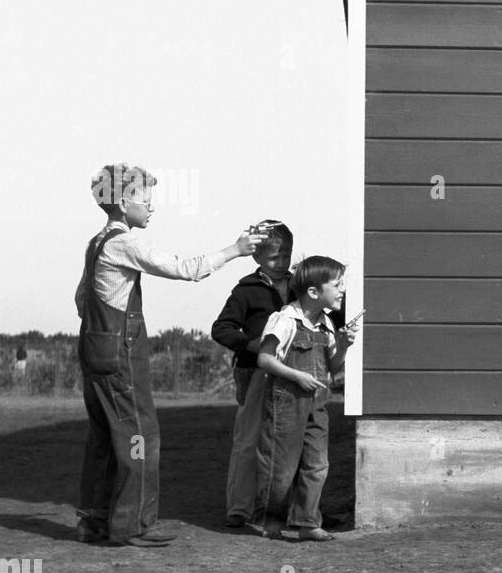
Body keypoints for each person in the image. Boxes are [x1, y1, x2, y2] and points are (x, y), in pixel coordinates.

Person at [74, 162, 264, 546]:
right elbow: (184, 269)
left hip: (93, 349)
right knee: (140, 436)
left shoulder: (95, 244)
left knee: (103, 437)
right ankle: (134, 525)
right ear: (125, 203)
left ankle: (93, 520)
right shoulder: (124, 243)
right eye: (146, 201)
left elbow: (81, 299)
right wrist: (235, 251)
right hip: (120, 354)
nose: (151, 208)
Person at [255, 256, 360, 541]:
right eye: (337, 285)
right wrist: (296, 376)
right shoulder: (286, 320)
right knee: (281, 465)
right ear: (314, 292)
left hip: (317, 404)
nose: (342, 291)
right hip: (287, 402)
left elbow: (333, 366)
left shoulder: (325, 323)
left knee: (317, 464)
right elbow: (264, 359)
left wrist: (345, 346)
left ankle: (306, 521)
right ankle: (270, 520)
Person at [211, 222, 294, 528]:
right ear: (257, 257)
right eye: (274, 257)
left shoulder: (300, 285)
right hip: (255, 371)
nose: (281, 262)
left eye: (286, 255)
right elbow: (221, 329)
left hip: (292, 372)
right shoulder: (246, 290)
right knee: (248, 441)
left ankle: (283, 508)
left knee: (288, 440)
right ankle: (239, 508)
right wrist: (250, 344)